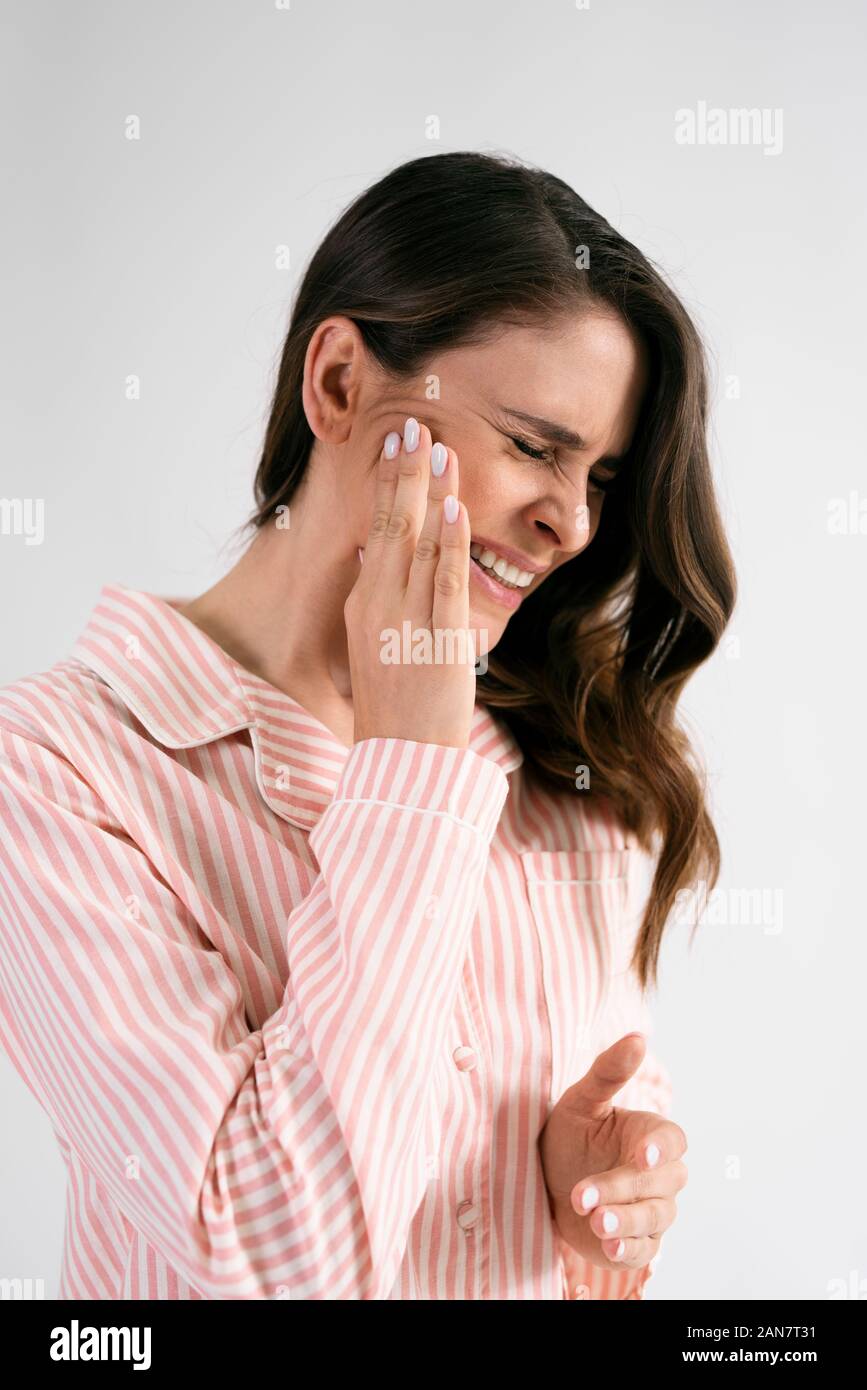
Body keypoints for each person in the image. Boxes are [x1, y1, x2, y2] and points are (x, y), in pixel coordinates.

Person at [0, 151, 735, 1299]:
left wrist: (575, 1207)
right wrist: (408, 764)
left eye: (600, 476)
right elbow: (266, 1251)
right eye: (537, 446)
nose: (572, 524)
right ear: (339, 383)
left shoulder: (566, 779)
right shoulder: (54, 772)